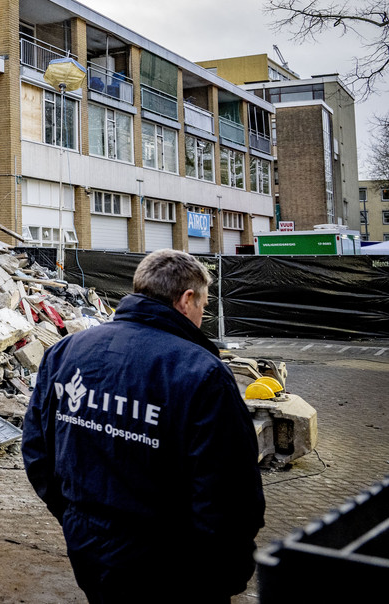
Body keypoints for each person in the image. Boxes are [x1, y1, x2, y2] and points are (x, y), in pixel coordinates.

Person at [22, 249, 265, 603]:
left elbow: (37, 451)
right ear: (186, 299)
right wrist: (226, 576)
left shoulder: (66, 352)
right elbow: (229, 495)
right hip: (174, 570)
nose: (202, 315)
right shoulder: (203, 373)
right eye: (203, 305)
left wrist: (77, 520)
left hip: (89, 552)